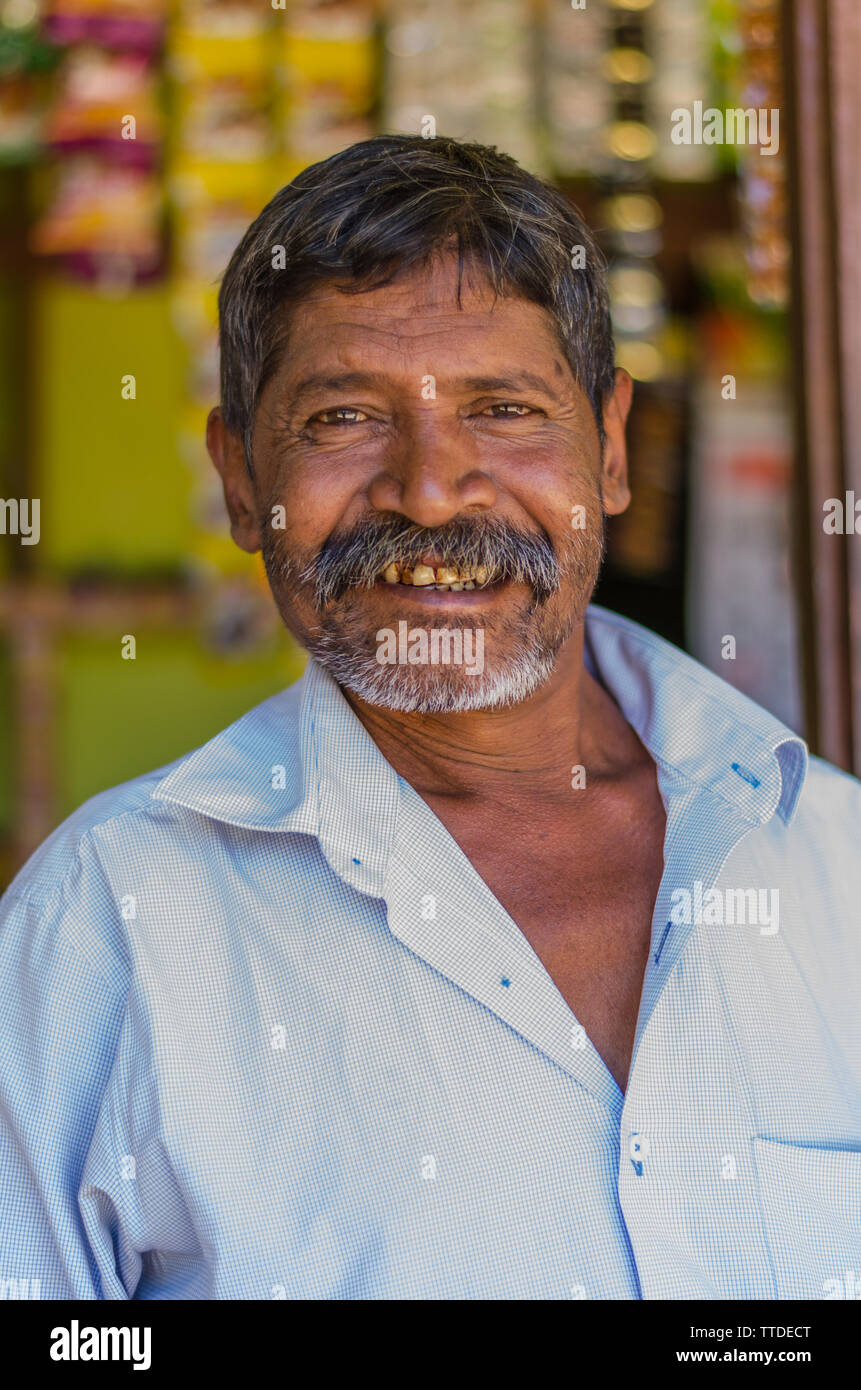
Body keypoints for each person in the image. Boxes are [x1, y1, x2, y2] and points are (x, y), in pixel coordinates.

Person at [1, 134, 859, 1301]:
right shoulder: (106, 926)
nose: (429, 487)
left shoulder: (835, 867)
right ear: (241, 480)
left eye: (503, 408)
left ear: (610, 448)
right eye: (343, 417)